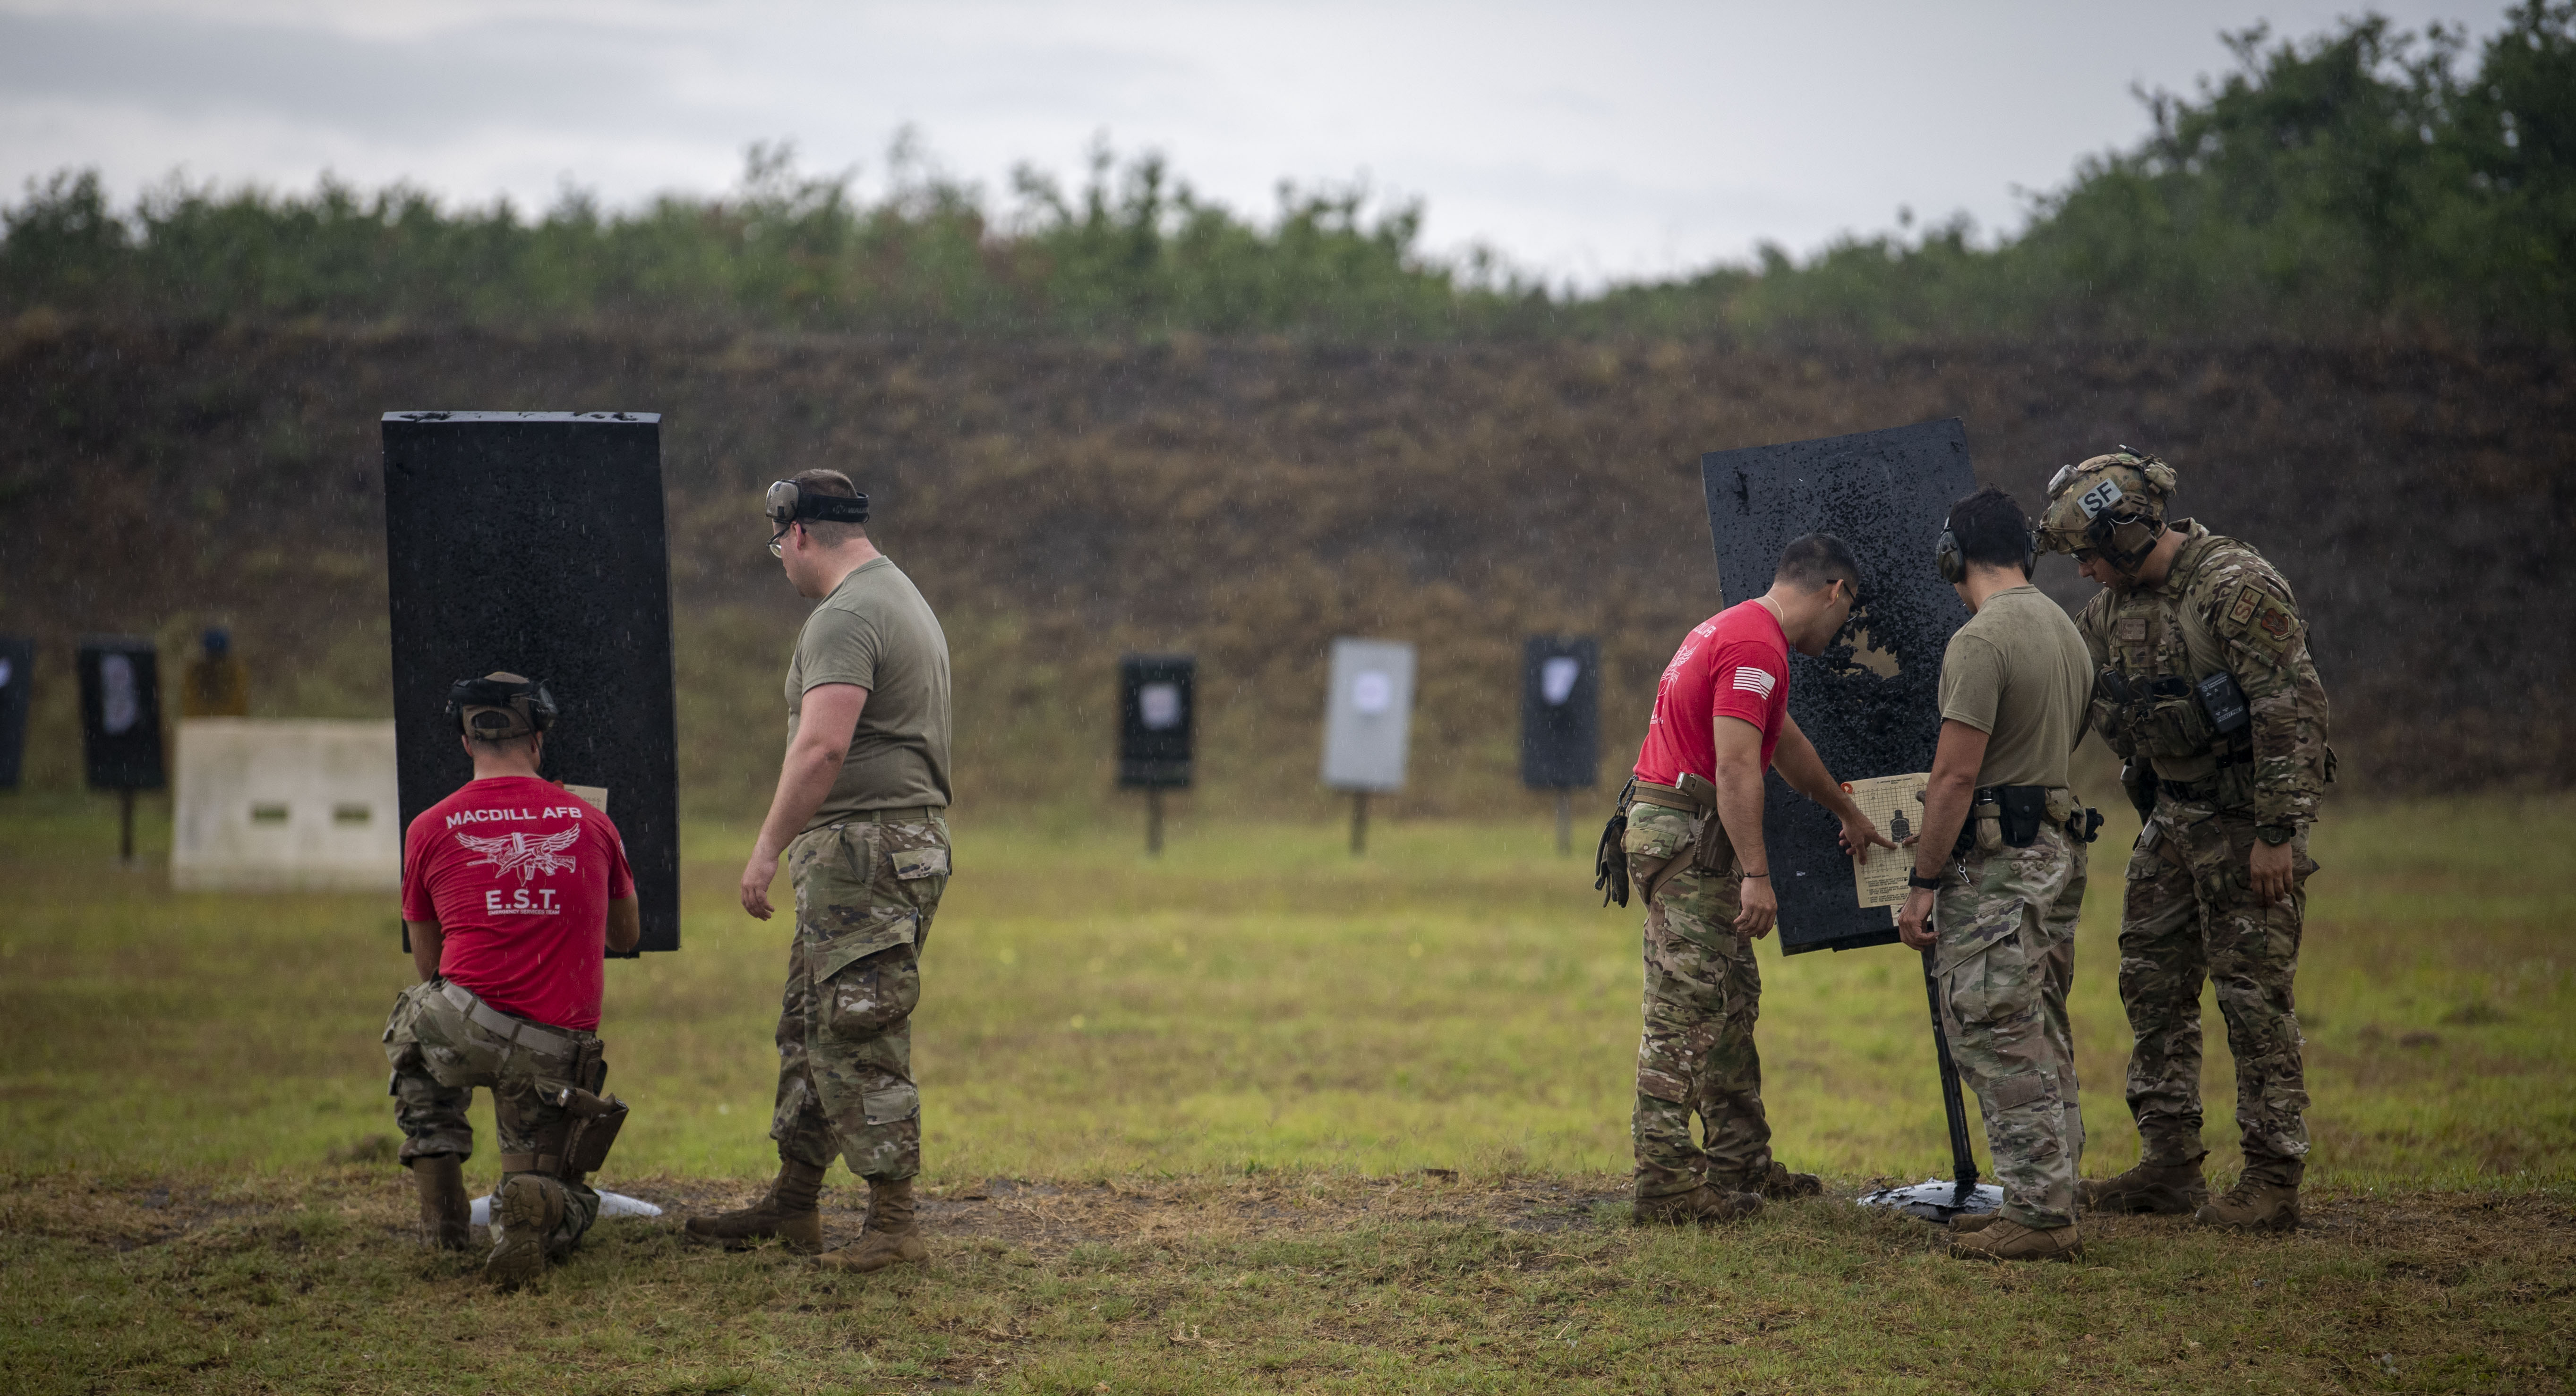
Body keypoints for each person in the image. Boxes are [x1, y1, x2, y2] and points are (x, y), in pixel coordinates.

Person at [2038, 448, 2331, 1231]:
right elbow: (2074, 705)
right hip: (2171, 820)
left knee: (2252, 1000)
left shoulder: (2233, 588)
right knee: (2151, 986)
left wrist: (2277, 834)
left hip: (2245, 825)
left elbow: (2288, 712)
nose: (2082, 572)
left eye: (2089, 554)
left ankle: (2272, 1178)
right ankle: (2168, 1166)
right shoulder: (2105, 612)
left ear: (2128, 533)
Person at [686, 470, 953, 1273]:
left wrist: (767, 846)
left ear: (798, 533)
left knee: (858, 1031)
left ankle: (894, 1224)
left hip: (863, 850)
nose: (780, 561)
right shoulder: (895, 593)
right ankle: (794, 1202)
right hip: (869, 849)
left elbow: (822, 746)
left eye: (778, 545)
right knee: (814, 1024)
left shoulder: (847, 615)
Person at [1622, 532, 1896, 1225]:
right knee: (1685, 1011)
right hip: (1691, 838)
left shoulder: (1737, 632)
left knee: (1731, 999)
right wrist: (1756, 875)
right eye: (1847, 611)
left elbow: (1786, 746)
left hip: (1674, 828)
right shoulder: (1754, 648)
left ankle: (1739, 1162)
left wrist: (1848, 812)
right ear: (1834, 591)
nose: (1842, 631)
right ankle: (1665, 1185)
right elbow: (1739, 765)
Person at [382, 672, 640, 1290]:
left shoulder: (428, 827)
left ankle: (443, 1219)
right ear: (541, 737)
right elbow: (626, 938)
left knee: (414, 1019)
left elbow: (430, 967)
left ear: (466, 744)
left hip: (463, 1021)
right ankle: (535, 1209)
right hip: (553, 1050)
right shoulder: (592, 823)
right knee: (563, 1191)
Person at [1895, 485, 2097, 1262]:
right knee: (2039, 1022)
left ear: (1953, 556)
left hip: (1997, 865)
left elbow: (1953, 777)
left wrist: (1922, 882)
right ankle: (2050, 1191)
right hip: (2051, 850)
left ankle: (2041, 1219)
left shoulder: (1980, 642)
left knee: (1992, 1025)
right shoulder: (2064, 630)